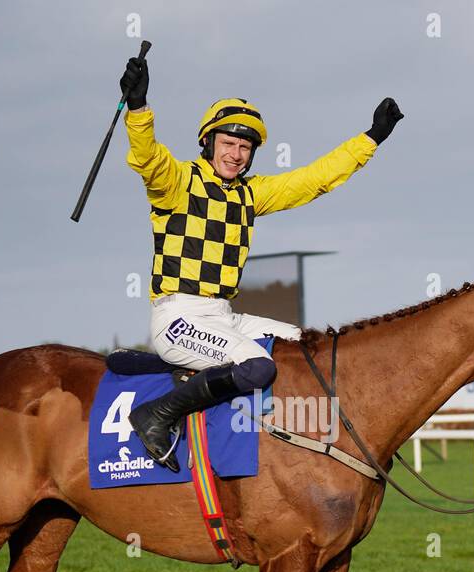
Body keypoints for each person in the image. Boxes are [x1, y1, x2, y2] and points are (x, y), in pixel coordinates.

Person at [117, 54, 403, 469]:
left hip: (223, 315)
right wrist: (139, 108)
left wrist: (371, 138)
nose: (235, 154)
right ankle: (157, 415)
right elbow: (147, 159)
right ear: (208, 143)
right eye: (228, 144)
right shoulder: (177, 182)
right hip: (177, 318)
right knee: (257, 367)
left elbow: (314, 179)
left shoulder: (252, 194)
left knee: (306, 348)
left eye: (244, 148)